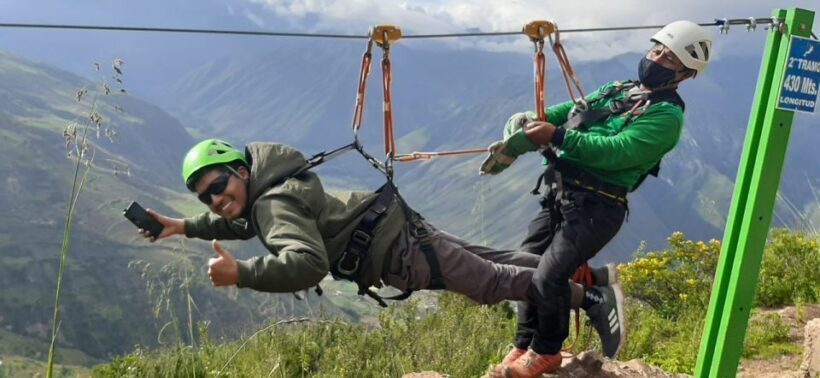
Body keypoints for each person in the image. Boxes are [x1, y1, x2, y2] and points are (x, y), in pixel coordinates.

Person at [139, 138, 615, 315]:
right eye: (206, 197)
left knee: (490, 282)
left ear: (240, 171)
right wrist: (180, 226)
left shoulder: (270, 205)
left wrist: (240, 274)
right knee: (492, 259)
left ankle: (589, 299)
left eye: (219, 185)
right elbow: (245, 222)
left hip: (395, 253)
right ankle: (590, 277)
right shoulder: (272, 183)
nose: (217, 200)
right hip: (394, 222)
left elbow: (306, 265)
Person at [479, 20, 712, 377]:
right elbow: (572, 112)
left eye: (667, 57)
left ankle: (547, 351)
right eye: (656, 50)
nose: (656, 58)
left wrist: (557, 136)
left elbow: (617, 152)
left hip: (598, 208)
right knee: (526, 266)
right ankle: (524, 343)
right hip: (562, 195)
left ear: (684, 72)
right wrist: (533, 122)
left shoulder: (667, 116)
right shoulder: (619, 89)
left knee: (549, 276)